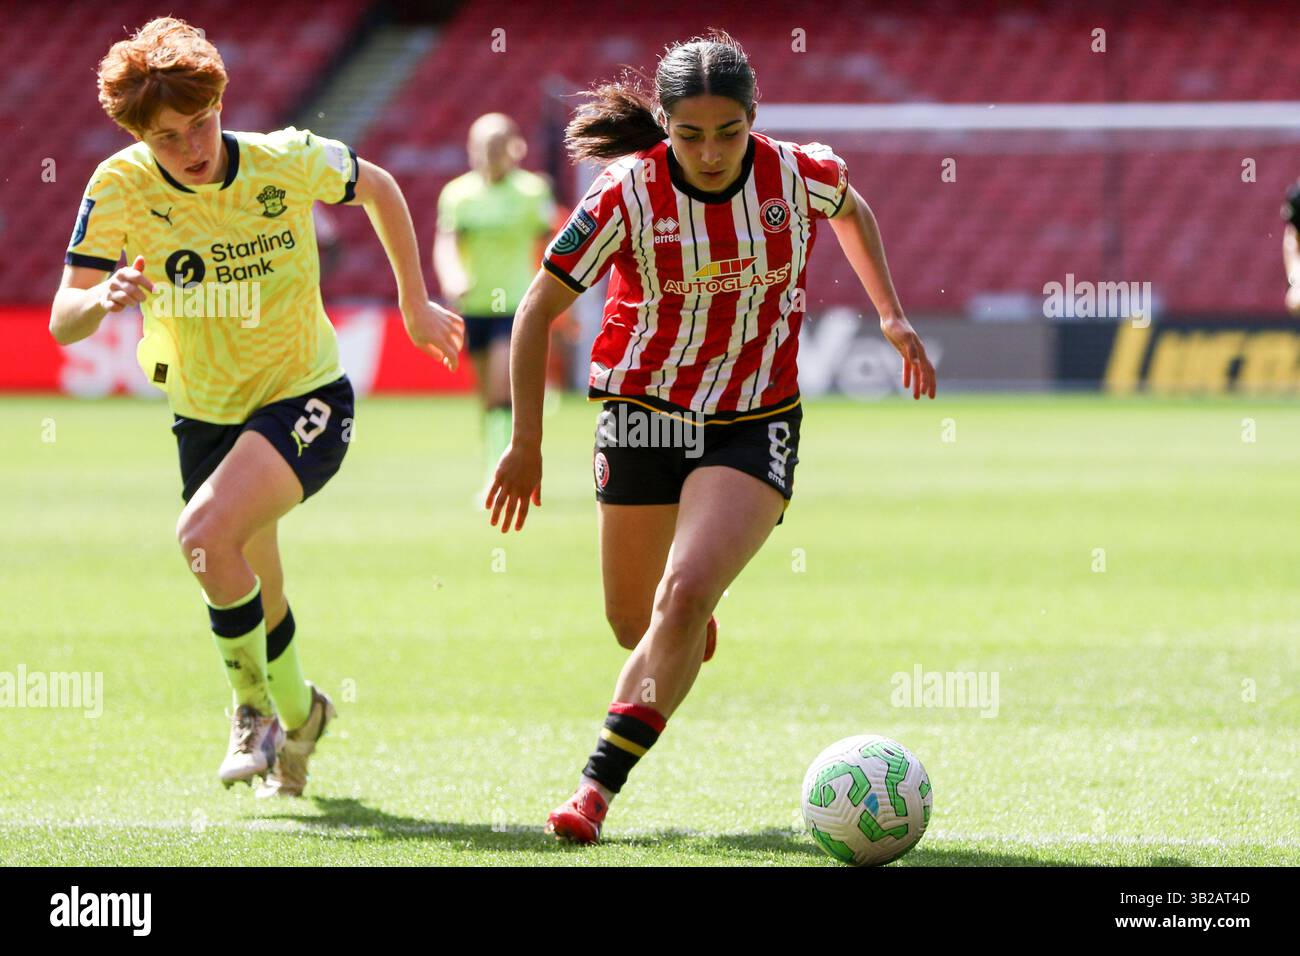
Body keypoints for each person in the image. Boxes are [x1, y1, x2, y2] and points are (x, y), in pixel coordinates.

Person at [484, 31, 936, 843]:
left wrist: (890, 313)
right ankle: (682, 632)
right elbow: (533, 314)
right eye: (689, 135)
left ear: (753, 120)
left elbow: (854, 209)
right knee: (637, 625)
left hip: (754, 421)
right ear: (664, 126)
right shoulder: (625, 194)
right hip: (640, 415)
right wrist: (525, 444)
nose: (712, 151)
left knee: (682, 595)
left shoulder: (797, 173)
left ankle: (593, 792)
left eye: (729, 132)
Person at [49, 17, 463, 796]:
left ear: (221, 100)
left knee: (201, 537)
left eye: (200, 122)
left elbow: (380, 185)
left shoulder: (285, 158)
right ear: (138, 136)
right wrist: (101, 296)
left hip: (305, 397)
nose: (192, 146)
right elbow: (62, 318)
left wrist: (413, 304)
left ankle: (251, 713)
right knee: (250, 584)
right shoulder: (118, 186)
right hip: (204, 415)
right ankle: (303, 717)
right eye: (167, 137)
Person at [434, 113, 555, 489]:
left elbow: (550, 244)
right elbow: (447, 242)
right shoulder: (457, 194)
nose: (488, 154)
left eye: (496, 146)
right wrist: (452, 276)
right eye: (482, 147)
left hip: (517, 304)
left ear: (513, 148)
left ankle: (500, 475)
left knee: (504, 388)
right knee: (489, 398)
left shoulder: (533, 191)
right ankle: (495, 463)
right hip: (475, 306)